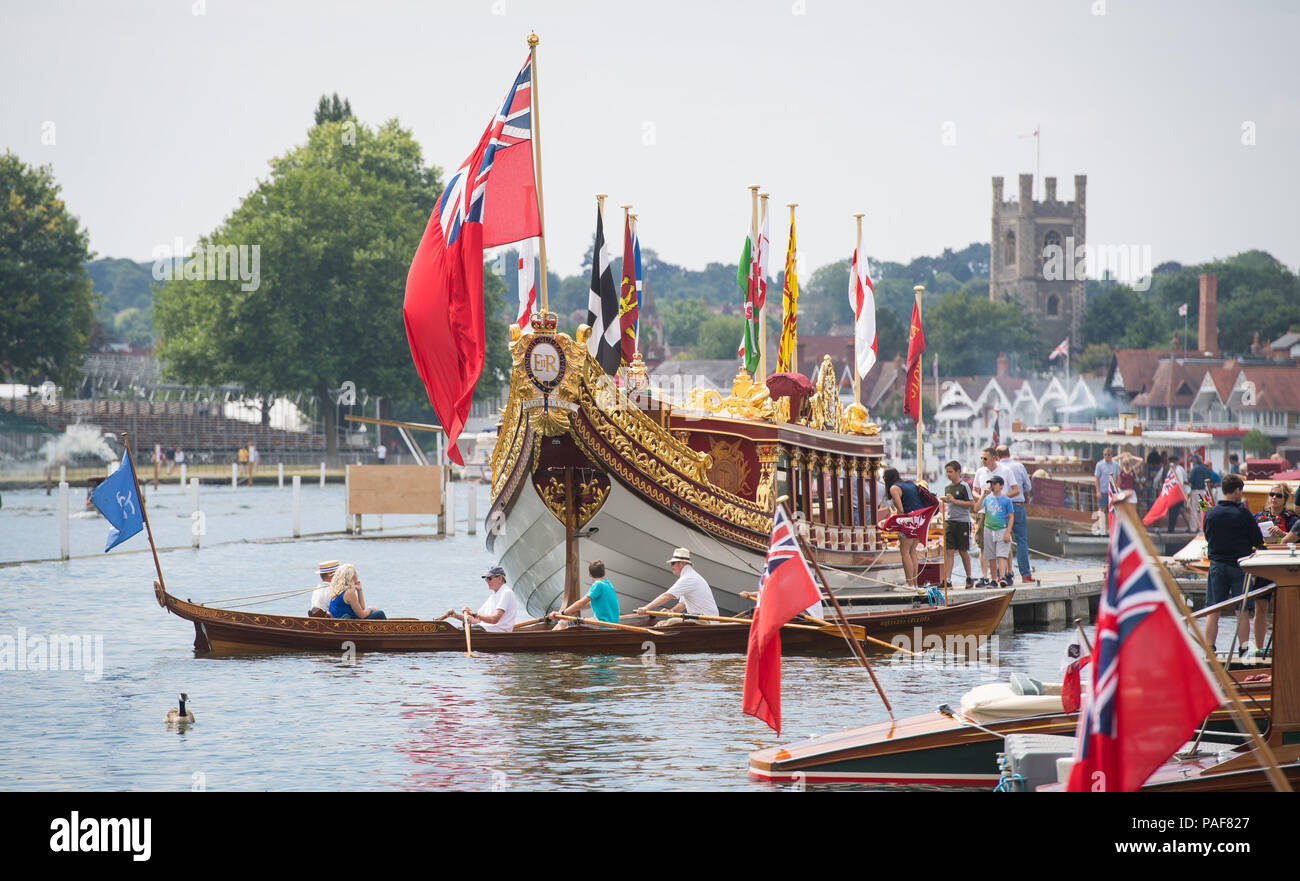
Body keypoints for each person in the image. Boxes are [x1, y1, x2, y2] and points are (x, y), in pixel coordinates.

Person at [1201, 474, 1264, 652]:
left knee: (1213, 610)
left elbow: (1207, 536)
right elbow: (1257, 540)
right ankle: (1244, 650)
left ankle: (1209, 649)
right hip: (1240, 566)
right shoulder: (1243, 514)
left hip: (1217, 565)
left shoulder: (1211, 513)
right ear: (1237, 490)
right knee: (1241, 611)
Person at [1250, 482, 1300, 655]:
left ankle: (1286, 646)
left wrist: (1281, 534)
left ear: (1285, 499)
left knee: (1285, 608)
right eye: (1272, 494)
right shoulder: (1258, 517)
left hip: (1284, 566)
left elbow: (1296, 540)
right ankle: (1258, 647)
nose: (1274, 498)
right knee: (1260, 608)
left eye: (1278, 495)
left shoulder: (1292, 519)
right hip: (1263, 565)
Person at [636, 548, 719, 619]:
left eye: (673, 563)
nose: (671, 566)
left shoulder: (688, 578)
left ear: (681, 564)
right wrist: (672, 611)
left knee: (664, 625)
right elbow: (683, 604)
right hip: (704, 620)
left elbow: (667, 596)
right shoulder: (690, 576)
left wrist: (646, 608)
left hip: (705, 621)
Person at [883, 467, 927, 588]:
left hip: (908, 522)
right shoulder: (909, 484)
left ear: (887, 478)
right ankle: (915, 584)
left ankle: (909, 584)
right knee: (913, 551)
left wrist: (896, 523)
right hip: (919, 520)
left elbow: (901, 509)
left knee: (905, 552)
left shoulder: (894, 488)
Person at [441, 566, 518, 632]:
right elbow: (476, 620)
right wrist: (455, 615)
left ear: (500, 578)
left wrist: (474, 614)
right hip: (487, 629)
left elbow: (495, 619)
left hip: (498, 631)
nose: (487, 581)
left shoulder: (506, 592)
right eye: (486, 579)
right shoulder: (493, 596)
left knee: (465, 629)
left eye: (489, 578)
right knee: (462, 627)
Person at [996, 445, 1031, 584]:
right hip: (1017, 505)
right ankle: (1026, 575)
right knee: (1021, 540)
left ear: (997, 456)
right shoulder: (1019, 466)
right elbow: (1028, 486)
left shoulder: (997, 468)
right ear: (1009, 454)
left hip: (1001, 507)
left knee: (1001, 541)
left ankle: (1001, 574)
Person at [552, 560, 620, 628]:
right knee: (568, 621)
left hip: (602, 624)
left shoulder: (598, 584)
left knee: (562, 623)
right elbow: (588, 604)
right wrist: (571, 611)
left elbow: (581, 602)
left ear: (589, 574)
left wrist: (563, 613)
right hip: (611, 624)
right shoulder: (609, 584)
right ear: (604, 573)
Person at [941, 460, 975, 589]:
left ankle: (969, 577)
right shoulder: (947, 488)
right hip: (950, 520)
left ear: (958, 472)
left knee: (963, 550)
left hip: (962, 522)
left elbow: (970, 503)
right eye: (947, 472)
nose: (948, 474)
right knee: (949, 551)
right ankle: (948, 579)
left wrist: (954, 501)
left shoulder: (964, 486)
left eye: (950, 472)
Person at [980, 475, 1014, 587]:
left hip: (1002, 528)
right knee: (991, 556)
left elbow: (1011, 516)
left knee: (1001, 555)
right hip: (988, 528)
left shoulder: (1006, 500)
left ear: (1001, 486)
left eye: (995, 484)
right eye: (991, 484)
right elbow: (975, 508)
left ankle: (1003, 577)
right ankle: (994, 579)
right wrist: (982, 496)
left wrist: (1008, 532)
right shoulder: (987, 499)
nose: (992, 486)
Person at [972, 449, 997, 585]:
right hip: (982, 512)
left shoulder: (1004, 471)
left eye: (985, 458)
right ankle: (984, 576)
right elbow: (974, 490)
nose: (983, 461)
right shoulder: (980, 472)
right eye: (981, 458)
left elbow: (1014, 489)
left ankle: (1000, 575)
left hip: (998, 512)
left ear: (994, 458)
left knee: (999, 544)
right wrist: (981, 496)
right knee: (982, 545)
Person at [1165, 455, 1190, 532]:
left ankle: (1171, 528)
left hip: (1178, 493)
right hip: (1180, 493)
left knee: (1174, 511)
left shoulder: (1178, 470)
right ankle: (1191, 526)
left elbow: (1180, 483)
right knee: (1181, 510)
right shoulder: (1176, 469)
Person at [1094, 447, 1121, 512]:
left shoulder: (1116, 465)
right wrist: (1098, 491)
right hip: (1103, 490)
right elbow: (1097, 478)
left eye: (1108, 454)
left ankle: (1111, 522)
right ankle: (1101, 522)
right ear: (1103, 455)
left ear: (1111, 455)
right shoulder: (1099, 464)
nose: (1107, 456)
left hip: (1112, 491)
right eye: (1105, 454)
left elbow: (1118, 477)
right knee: (1101, 508)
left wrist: (1117, 489)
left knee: (1114, 509)